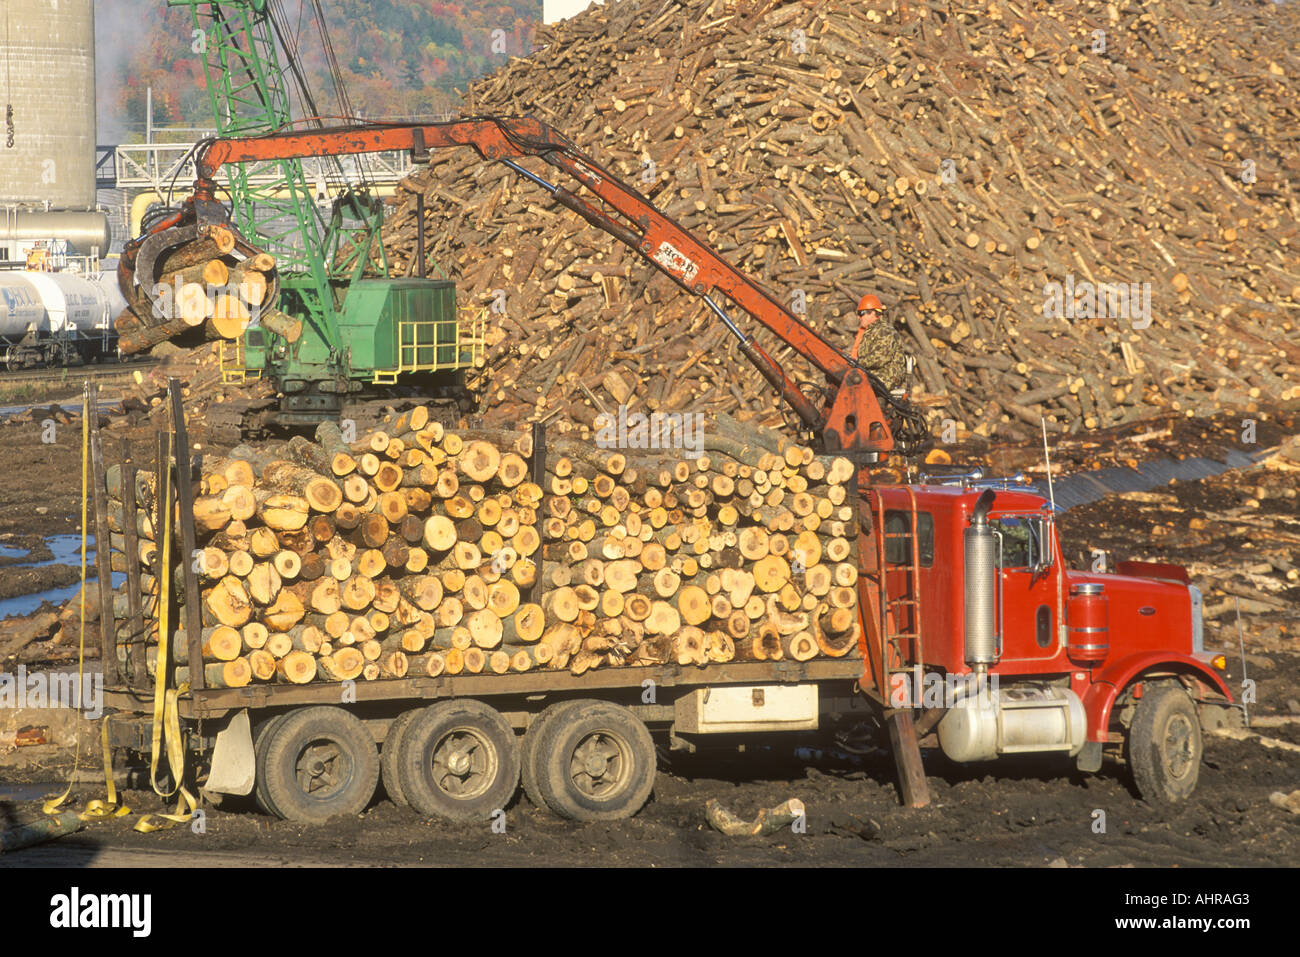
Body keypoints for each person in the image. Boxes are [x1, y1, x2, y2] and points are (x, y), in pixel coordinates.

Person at [852, 293, 908, 393]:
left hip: (888, 375)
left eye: (861, 313)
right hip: (873, 372)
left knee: (856, 384)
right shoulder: (869, 331)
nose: (858, 317)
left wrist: (857, 362)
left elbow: (881, 358)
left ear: (873, 313)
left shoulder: (885, 331)